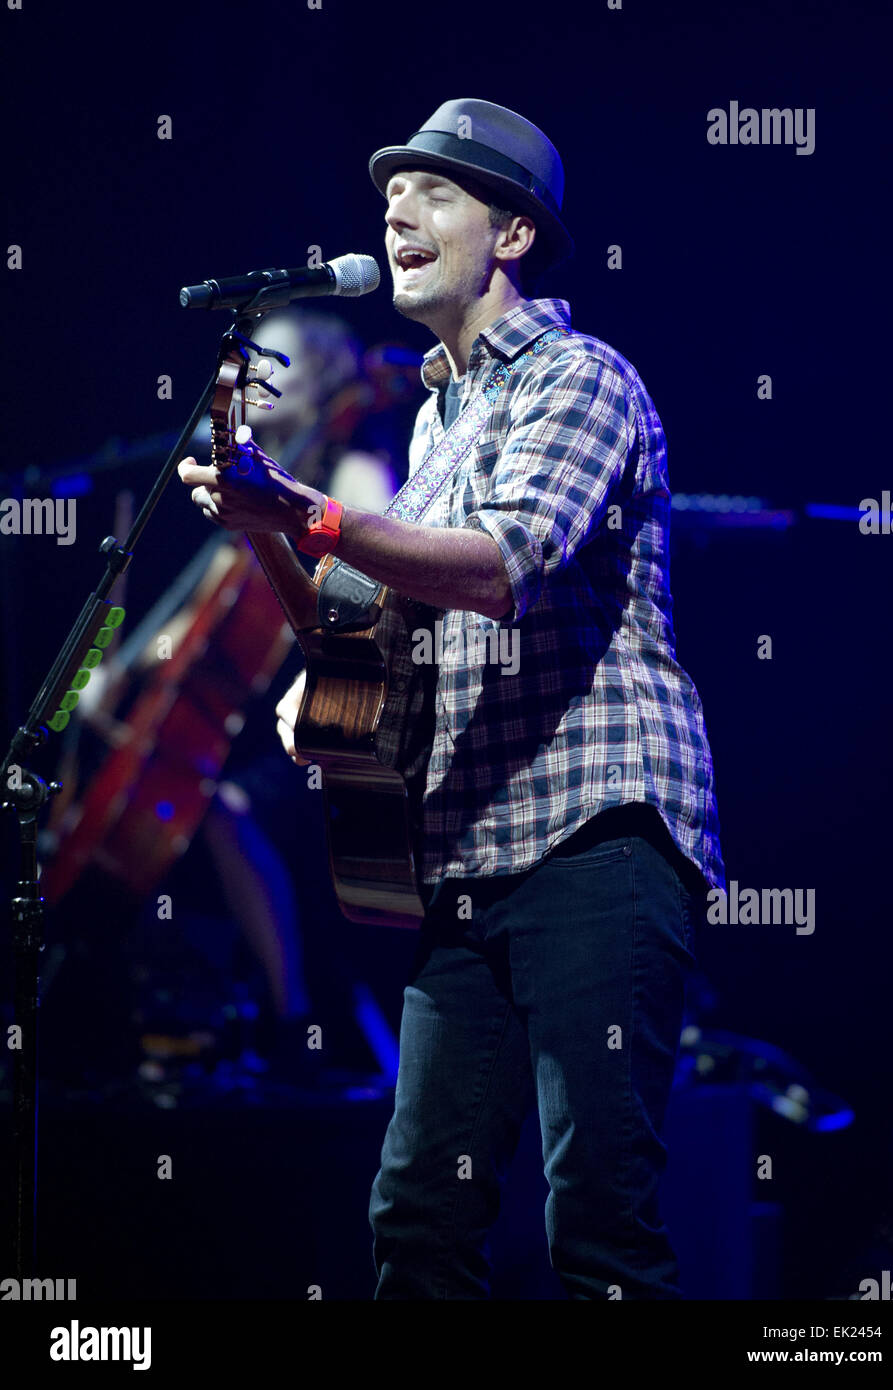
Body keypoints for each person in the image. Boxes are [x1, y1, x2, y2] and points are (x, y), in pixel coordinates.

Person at [178, 98, 726, 1300]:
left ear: (512, 236)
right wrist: (266, 534)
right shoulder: (436, 418)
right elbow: (355, 632)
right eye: (389, 191)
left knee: (598, 1229)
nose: (394, 209)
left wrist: (310, 512)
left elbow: (498, 566)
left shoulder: (579, 377)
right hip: (466, 858)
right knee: (417, 1222)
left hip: (596, 837)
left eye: (432, 190)